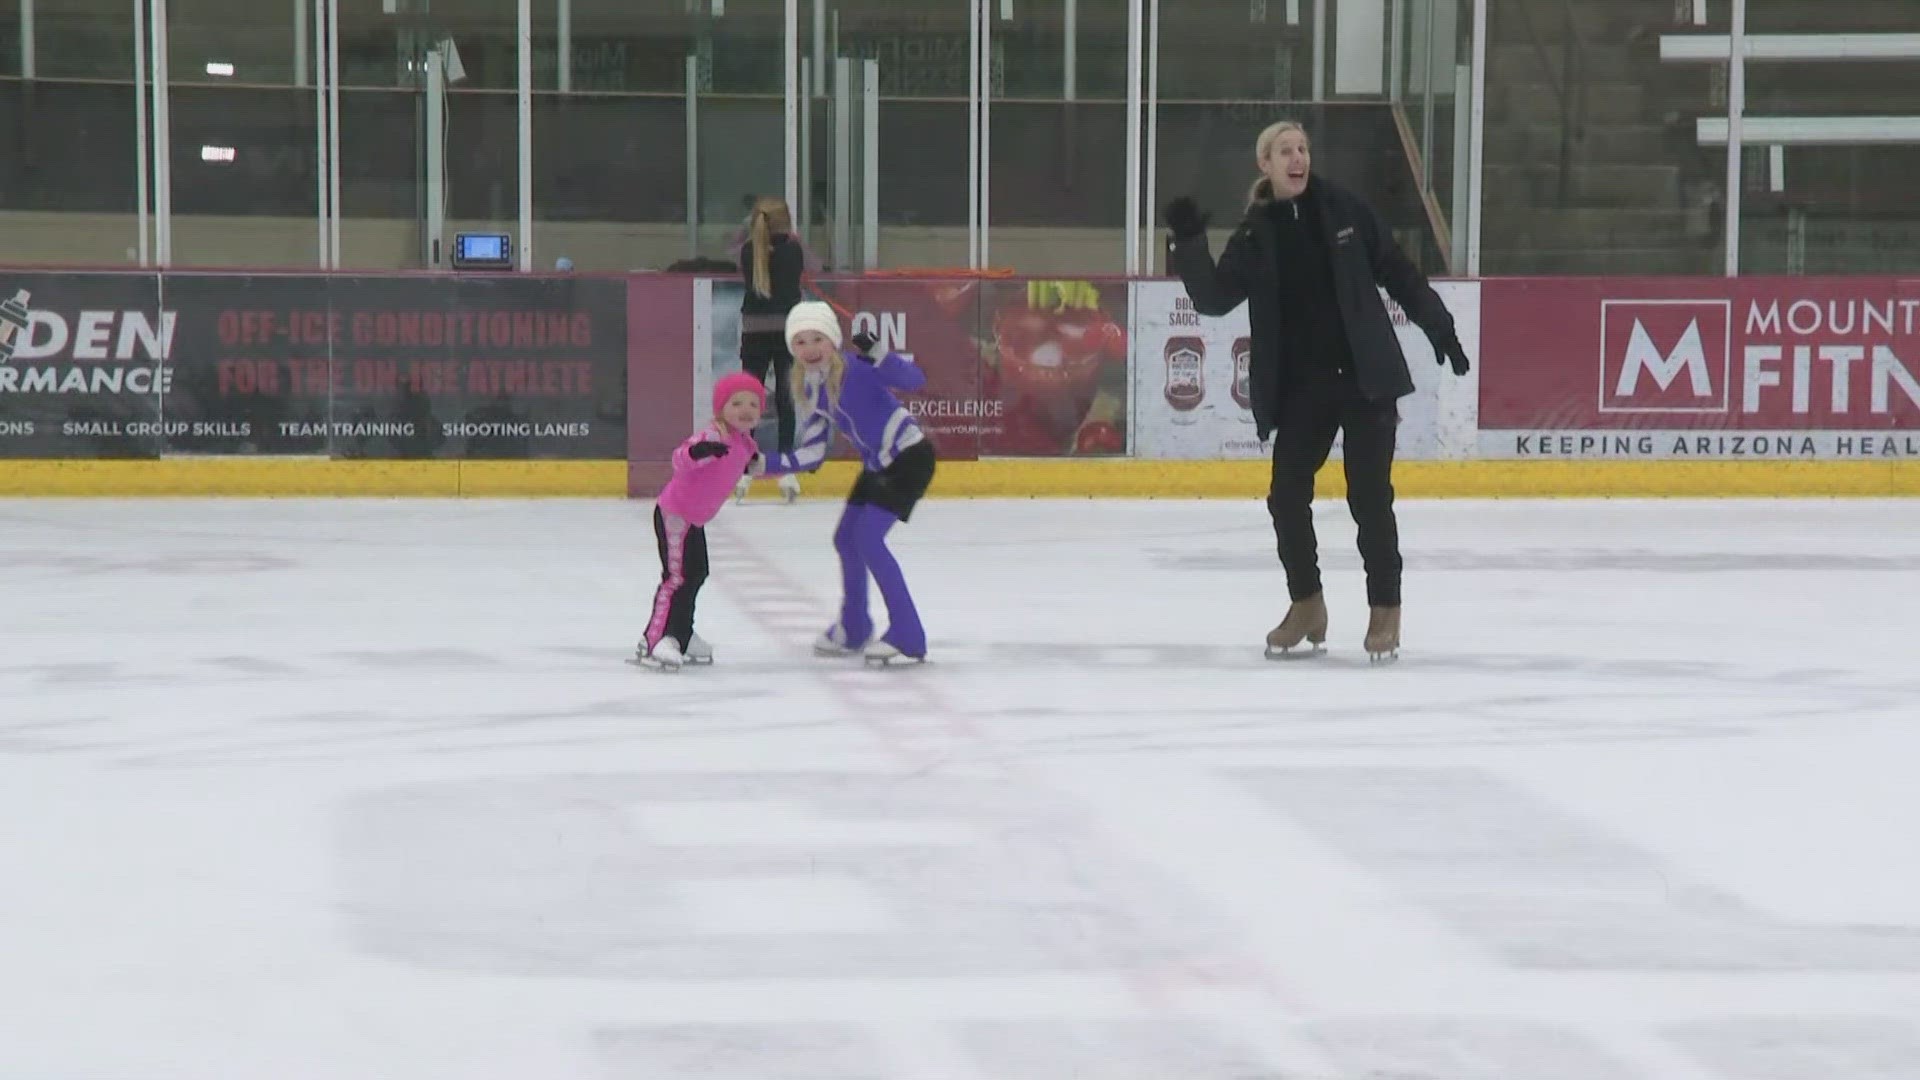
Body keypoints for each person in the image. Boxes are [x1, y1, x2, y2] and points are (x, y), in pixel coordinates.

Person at [1163, 120, 1472, 662]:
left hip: (1365, 379)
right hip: (1304, 386)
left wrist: (1439, 327)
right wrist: (1188, 242)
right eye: (1285, 151)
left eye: (1302, 148)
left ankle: (1385, 611)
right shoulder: (1256, 234)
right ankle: (1307, 604)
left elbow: (1398, 271)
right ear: (1266, 164)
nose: (1297, 157)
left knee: (1369, 496)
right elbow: (1213, 298)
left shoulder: (1344, 210)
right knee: (1285, 496)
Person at [759, 301, 937, 666]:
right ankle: (855, 626)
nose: (809, 349)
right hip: (877, 466)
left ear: (833, 340)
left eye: (817, 339)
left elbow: (914, 380)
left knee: (869, 541)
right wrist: (762, 464)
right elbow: (811, 454)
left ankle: (908, 634)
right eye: (800, 342)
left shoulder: (859, 368)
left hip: (909, 458)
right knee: (846, 539)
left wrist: (880, 353)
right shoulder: (810, 388)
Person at [639, 372, 768, 670]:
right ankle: (657, 638)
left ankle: (681, 631)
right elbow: (680, 458)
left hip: (694, 519)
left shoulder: (744, 442)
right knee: (677, 577)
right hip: (676, 515)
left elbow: (752, 466)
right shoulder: (714, 436)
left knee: (697, 572)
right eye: (736, 403)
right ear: (720, 408)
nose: (746, 410)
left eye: (753, 404)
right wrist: (699, 452)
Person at [737, 196, 806, 504]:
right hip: (786, 330)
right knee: (785, 397)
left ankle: (745, 466)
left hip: (754, 330)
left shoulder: (748, 251)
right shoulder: (793, 250)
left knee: (749, 398)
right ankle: (787, 468)